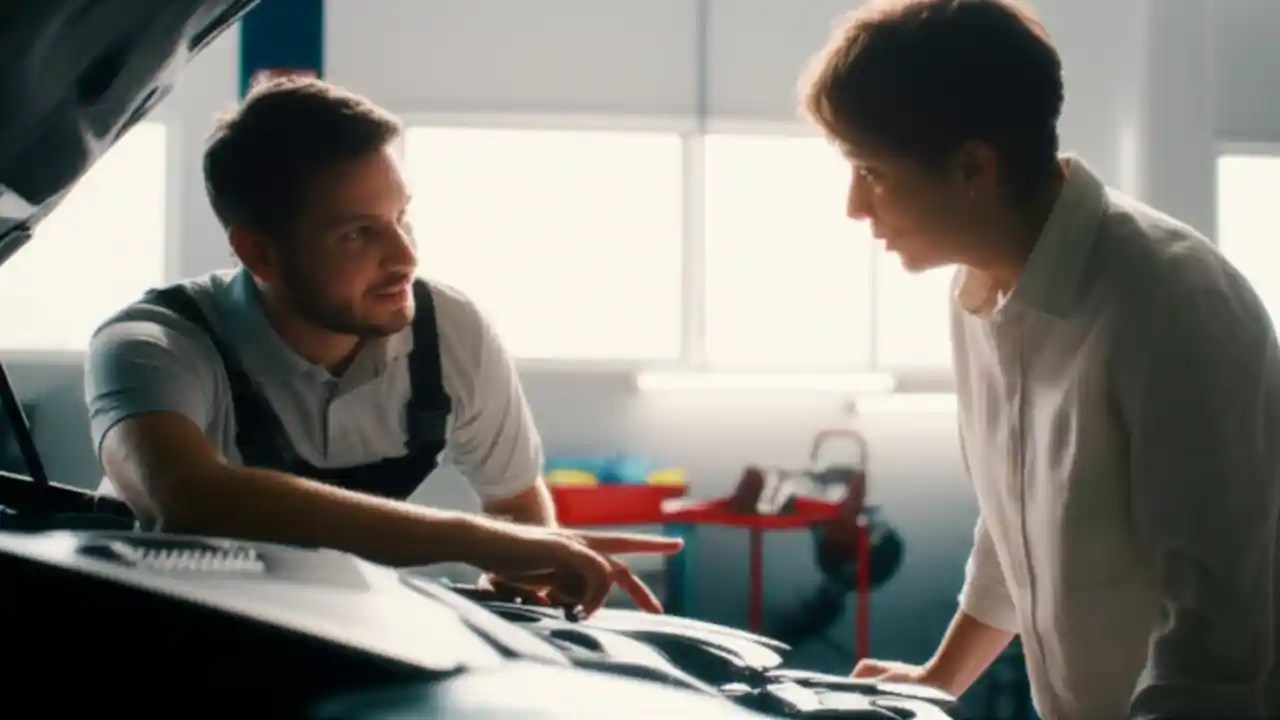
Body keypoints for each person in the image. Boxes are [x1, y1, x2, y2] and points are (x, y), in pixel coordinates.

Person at [799, 1, 1279, 718]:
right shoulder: (983, 291)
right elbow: (1013, 524)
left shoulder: (1171, 301)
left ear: (973, 167)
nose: (853, 208)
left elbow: (1221, 635)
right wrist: (939, 678)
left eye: (870, 172)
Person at [83, 76, 681, 618]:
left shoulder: (451, 329)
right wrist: (480, 540)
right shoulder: (149, 343)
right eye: (359, 233)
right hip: (166, 646)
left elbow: (517, 506)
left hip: (338, 634)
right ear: (259, 253)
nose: (405, 256)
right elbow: (187, 498)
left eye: (402, 217)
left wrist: (530, 570)